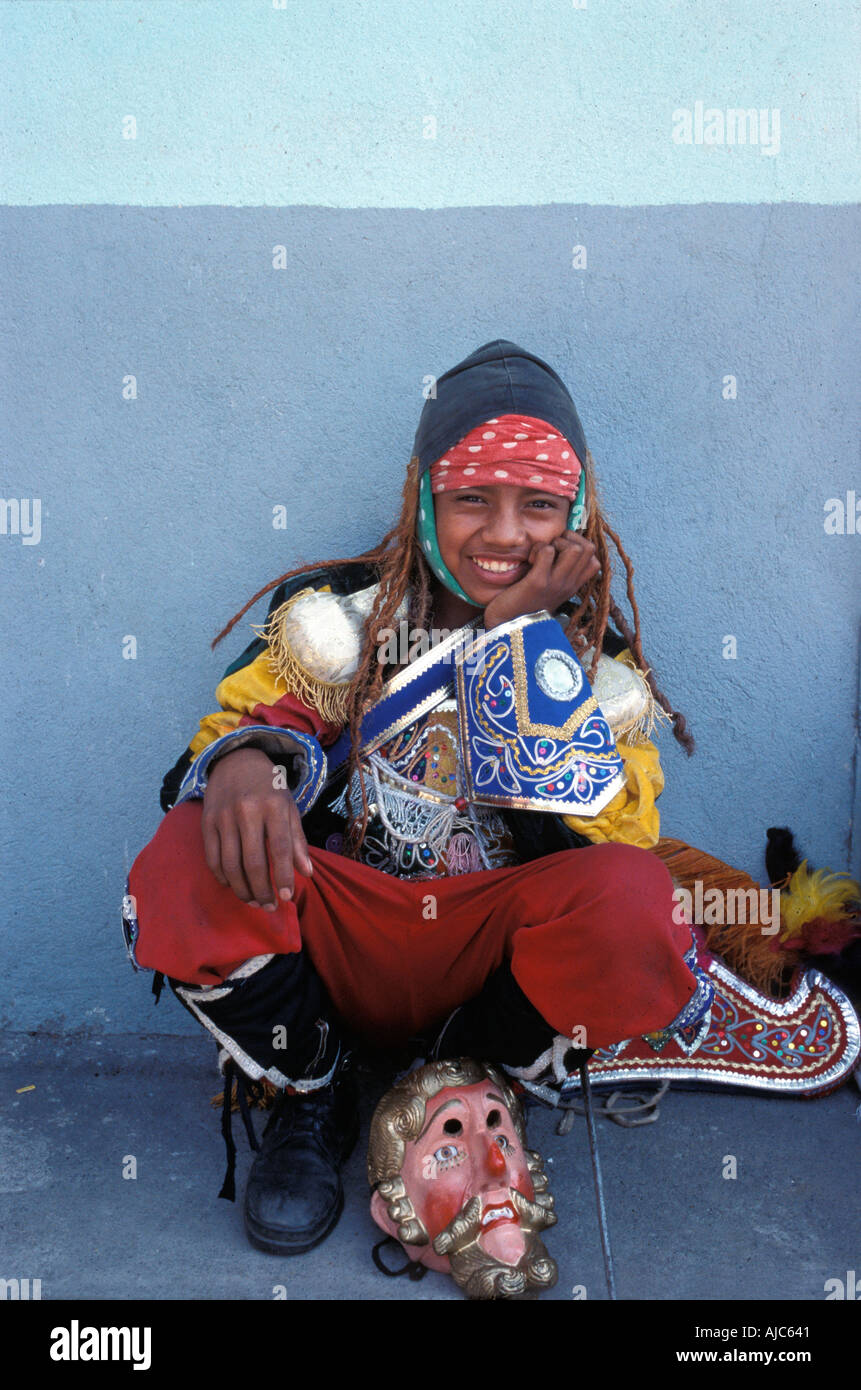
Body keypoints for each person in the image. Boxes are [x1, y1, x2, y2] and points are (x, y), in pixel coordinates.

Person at [124, 339, 712, 1259]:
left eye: (540, 505)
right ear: (421, 498)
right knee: (179, 859)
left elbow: (597, 862)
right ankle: (310, 1092)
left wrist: (515, 644)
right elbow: (227, 749)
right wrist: (247, 763)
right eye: (472, 498)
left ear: (581, 513)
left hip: (481, 957)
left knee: (638, 904)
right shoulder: (338, 619)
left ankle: (473, 1076)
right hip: (336, 931)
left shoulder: (601, 676)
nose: (506, 533)